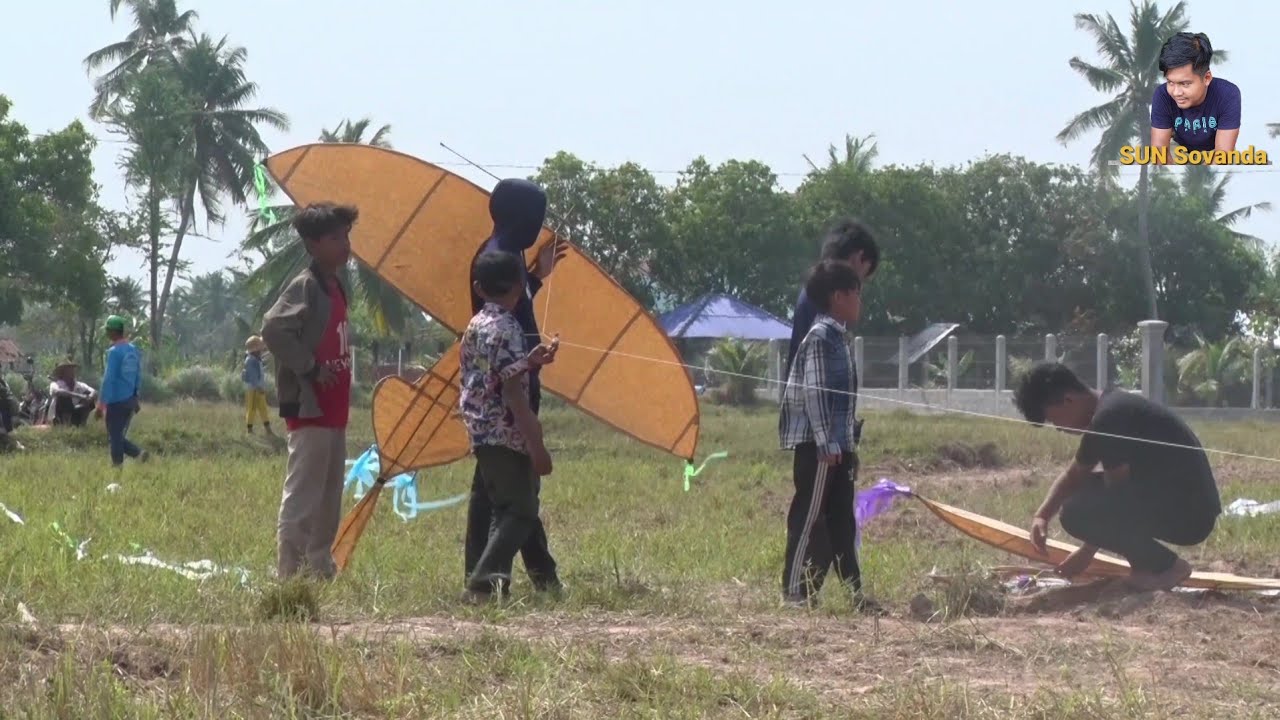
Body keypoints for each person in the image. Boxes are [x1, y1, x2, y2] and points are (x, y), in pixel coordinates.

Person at [1013, 362, 1222, 591]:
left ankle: (1165, 568)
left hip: (1190, 515)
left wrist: (1087, 550)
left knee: (1075, 512)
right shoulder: (1109, 408)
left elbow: (1117, 499)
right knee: (1083, 494)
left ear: (1068, 400)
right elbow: (1074, 476)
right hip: (1184, 504)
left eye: (1054, 420)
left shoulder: (1109, 419)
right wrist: (1041, 516)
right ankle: (1151, 566)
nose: (1058, 428)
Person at [463, 178, 567, 596]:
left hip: (497, 397)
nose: (537, 226)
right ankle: (491, 580)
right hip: (509, 397)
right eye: (535, 217)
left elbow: (510, 298)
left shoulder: (504, 256)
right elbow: (511, 309)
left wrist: (537, 274)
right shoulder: (500, 256)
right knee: (517, 500)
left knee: (502, 493)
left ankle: (527, 579)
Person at [261, 202, 356, 581]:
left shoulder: (335, 285)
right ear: (313, 244)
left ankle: (318, 568)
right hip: (310, 405)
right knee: (303, 494)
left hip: (334, 409)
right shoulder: (307, 285)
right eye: (335, 238)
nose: (345, 244)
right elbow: (273, 329)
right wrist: (311, 367)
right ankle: (289, 573)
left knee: (329, 496)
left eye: (346, 236)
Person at [778, 260, 879, 611]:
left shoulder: (839, 338)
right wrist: (826, 441)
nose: (859, 303)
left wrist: (846, 442)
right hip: (820, 449)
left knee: (842, 522)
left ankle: (855, 594)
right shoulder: (820, 338)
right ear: (838, 297)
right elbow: (816, 393)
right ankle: (795, 592)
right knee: (810, 518)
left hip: (840, 446)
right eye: (856, 294)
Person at [784, 219, 880, 380]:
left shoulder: (814, 292)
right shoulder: (824, 323)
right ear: (858, 258)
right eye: (861, 279)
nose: (859, 291)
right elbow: (819, 384)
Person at [1150, 32, 1240, 157]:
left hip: (1215, 150)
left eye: (1185, 84)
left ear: (1207, 78)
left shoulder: (1227, 94)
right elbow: (1160, 154)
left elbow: (1222, 154)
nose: (1176, 92)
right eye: (1170, 82)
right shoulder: (1162, 95)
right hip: (1178, 150)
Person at [96, 316, 147, 467]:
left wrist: (101, 405)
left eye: (107, 330)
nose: (106, 333)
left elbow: (109, 379)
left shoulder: (114, 352)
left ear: (112, 332)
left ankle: (120, 465)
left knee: (115, 437)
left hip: (116, 401)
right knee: (116, 436)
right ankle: (138, 454)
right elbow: (138, 375)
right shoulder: (133, 350)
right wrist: (136, 397)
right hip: (130, 400)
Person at [48, 361, 96, 427]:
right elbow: (57, 391)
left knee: (88, 396)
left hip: (76, 412)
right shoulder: (55, 384)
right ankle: (65, 425)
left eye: (72, 369)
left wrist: (90, 397)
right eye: (68, 369)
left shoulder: (79, 385)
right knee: (64, 397)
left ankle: (82, 424)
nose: (72, 371)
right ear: (62, 372)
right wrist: (79, 396)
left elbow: (93, 391)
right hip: (59, 416)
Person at [242, 335, 273, 435]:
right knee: (252, 409)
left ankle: (268, 429)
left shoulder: (256, 359)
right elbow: (253, 377)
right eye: (260, 347)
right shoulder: (251, 360)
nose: (262, 349)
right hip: (253, 389)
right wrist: (258, 387)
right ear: (255, 349)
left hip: (259, 388)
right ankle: (249, 430)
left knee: (263, 408)